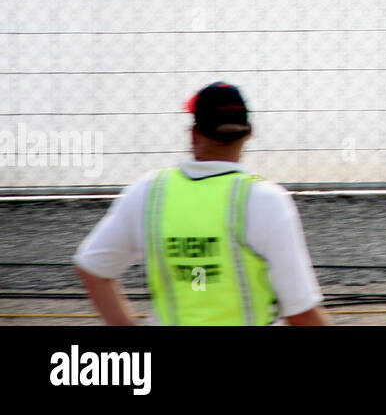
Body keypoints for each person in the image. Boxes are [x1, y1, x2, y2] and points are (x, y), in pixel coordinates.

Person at [74, 82, 328, 325]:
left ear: (194, 135)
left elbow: (93, 269)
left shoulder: (148, 192)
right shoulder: (264, 200)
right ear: (248, 133)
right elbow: (302, 315)